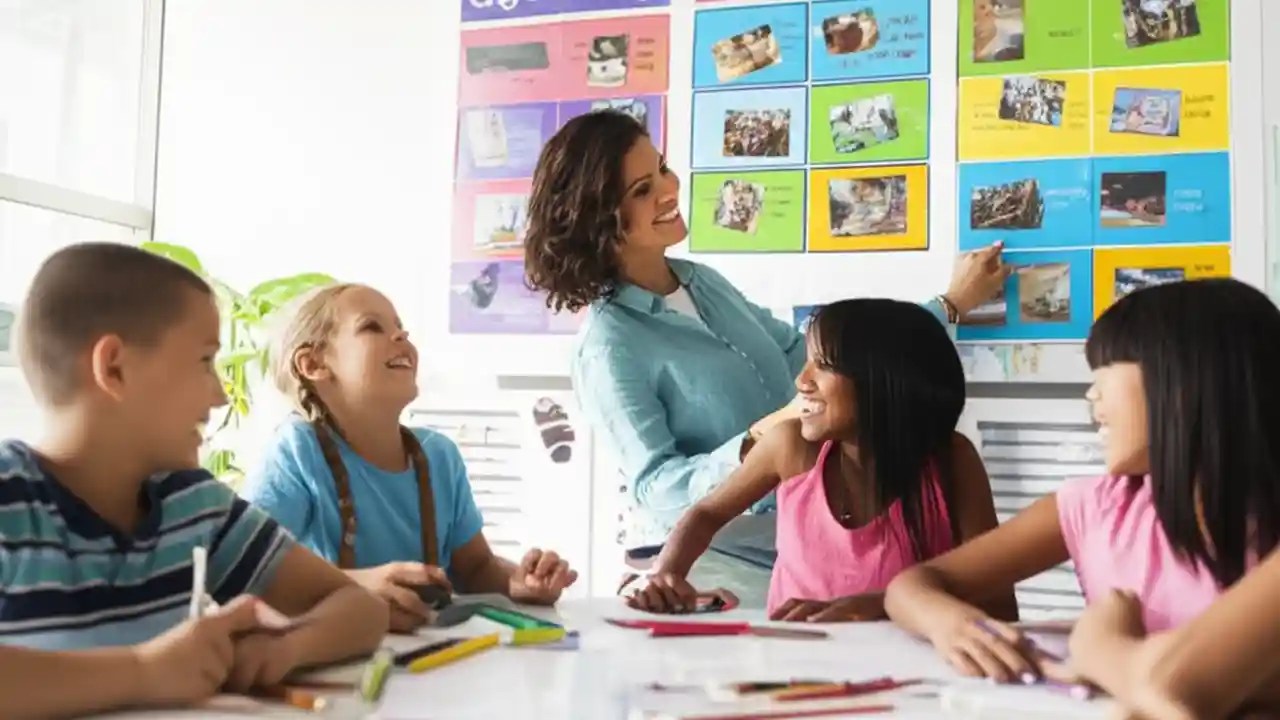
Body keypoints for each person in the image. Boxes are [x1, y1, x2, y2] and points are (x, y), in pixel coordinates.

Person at [522, 110, 1008, 607]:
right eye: (643, 190)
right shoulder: (609, 345)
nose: (670, 188)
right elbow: (656, 490)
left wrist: (948, 306)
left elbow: (811, 354)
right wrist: (757, 439)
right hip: (715, 563)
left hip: (796, 539)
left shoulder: (701, 282)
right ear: (600, 218)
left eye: (663, 168)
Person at [0, 244, 386, 719]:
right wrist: (144, 670)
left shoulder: (194, 502)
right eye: (205, 361)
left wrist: (285, 648)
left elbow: (359, 607)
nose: (222, 394)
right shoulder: (9, 500)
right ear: (114, 368)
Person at [884, 278, 1280, 684]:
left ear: (1183, 383)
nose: (1092, 395)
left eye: (1105, 371)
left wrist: (1102, 645)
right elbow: (912, 585)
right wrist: (949, 622)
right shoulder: (1094, 506)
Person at [623, 300, 1011, 622]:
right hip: (794, 664)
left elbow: (998, 606)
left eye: (823, 364)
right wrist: (665, 574)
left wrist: (882, 610)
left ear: (881, 382)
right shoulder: (790, 447)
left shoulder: (951, 461)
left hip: (907, 674)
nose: (801, 381)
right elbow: (706, 513)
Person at [242, 283, 578, 633]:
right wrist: (353, 587)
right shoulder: (298, 451)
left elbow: (476, 568)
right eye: (372, 326)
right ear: (313, 364)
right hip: (341, 658)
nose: (400, 334)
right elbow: (252, 567)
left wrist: (519, 584)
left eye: (401, 327)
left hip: (432, 659)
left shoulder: (439, 456)